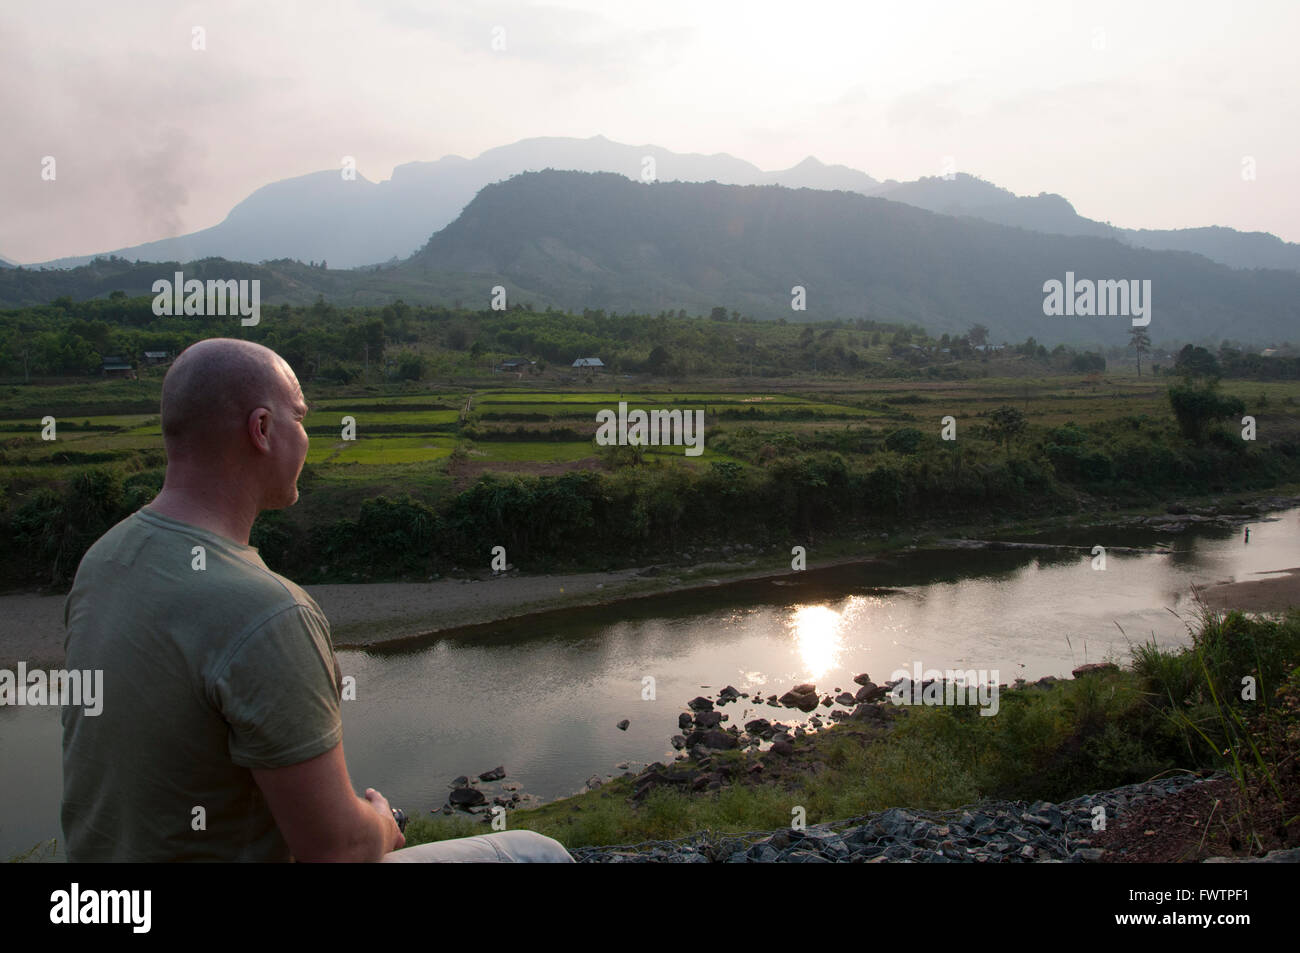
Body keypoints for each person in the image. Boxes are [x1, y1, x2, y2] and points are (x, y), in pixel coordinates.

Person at [62, 337, 572, 863]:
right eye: (300, 417)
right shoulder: (268, 612)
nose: (306, 435)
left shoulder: (104, 559)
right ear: (261, 430)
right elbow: (336, 851)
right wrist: (379, 821)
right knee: (538, 852)